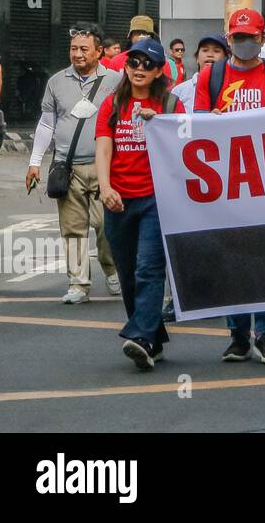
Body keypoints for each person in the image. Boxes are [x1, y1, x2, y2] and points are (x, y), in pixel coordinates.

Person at [195, 8, 265, 364]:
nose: (243, 44)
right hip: (225, 183)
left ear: (262, 39)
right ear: (229, 40)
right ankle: (238, 335)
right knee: (232, 259)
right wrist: (210, 122)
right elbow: (195, 124)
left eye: (250, 38)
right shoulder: (211, 76)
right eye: (237, 39)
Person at [94, 38, 178, 370]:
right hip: (118, 200)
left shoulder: (171, 106)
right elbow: (103, 147)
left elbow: (185, 145)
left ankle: (141, 337)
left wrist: (159, 123)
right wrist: (105, 187)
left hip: (156, 200)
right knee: (127, 273)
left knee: (148, 268)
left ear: (159, 71)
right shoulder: (112, 105)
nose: (139, 69)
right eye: (134, 63)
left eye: (147, 64)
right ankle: (152, 338)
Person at [27, 22, 122, 304]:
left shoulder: (116, 81)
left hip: (105, 167)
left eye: (84, 49)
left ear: (99, 52)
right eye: (73, 49)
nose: (77, 54)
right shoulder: (56, 82)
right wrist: (35, 162)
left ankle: (112, 269)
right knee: (72, 228)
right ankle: (78, 283)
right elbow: (47, 124)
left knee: (107, 225)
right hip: (66, 167)